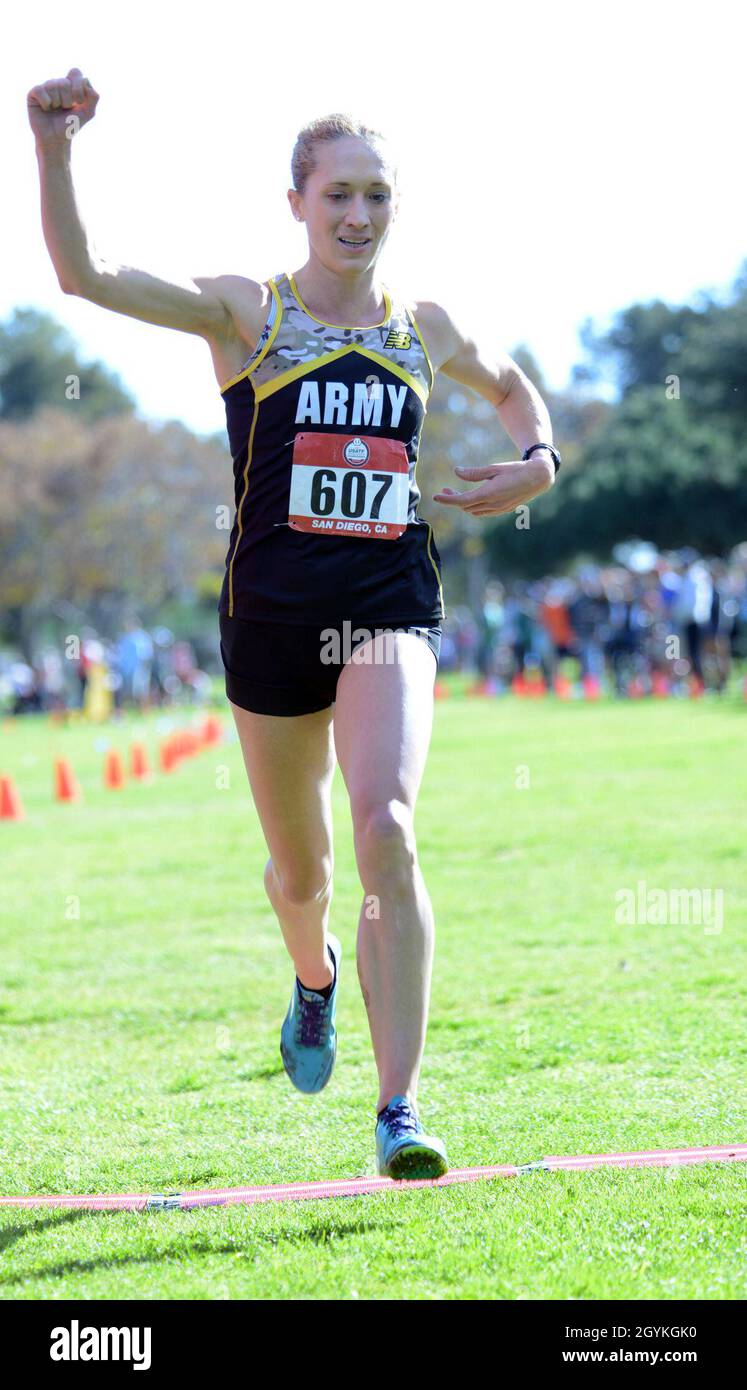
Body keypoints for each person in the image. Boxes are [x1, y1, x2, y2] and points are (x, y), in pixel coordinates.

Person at [29, 69, 559, 1179]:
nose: (358, 216)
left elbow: (513, 387)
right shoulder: (249, 313)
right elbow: (85, 277)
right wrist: (54, 145)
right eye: (338, 197)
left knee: (391, 829)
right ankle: (314, 977)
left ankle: (400, 1107)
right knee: (303, 874)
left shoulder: (424, 326)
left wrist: (538, 462)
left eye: (376, 196)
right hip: (269, 622)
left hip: (388, 608)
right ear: (298, 204)